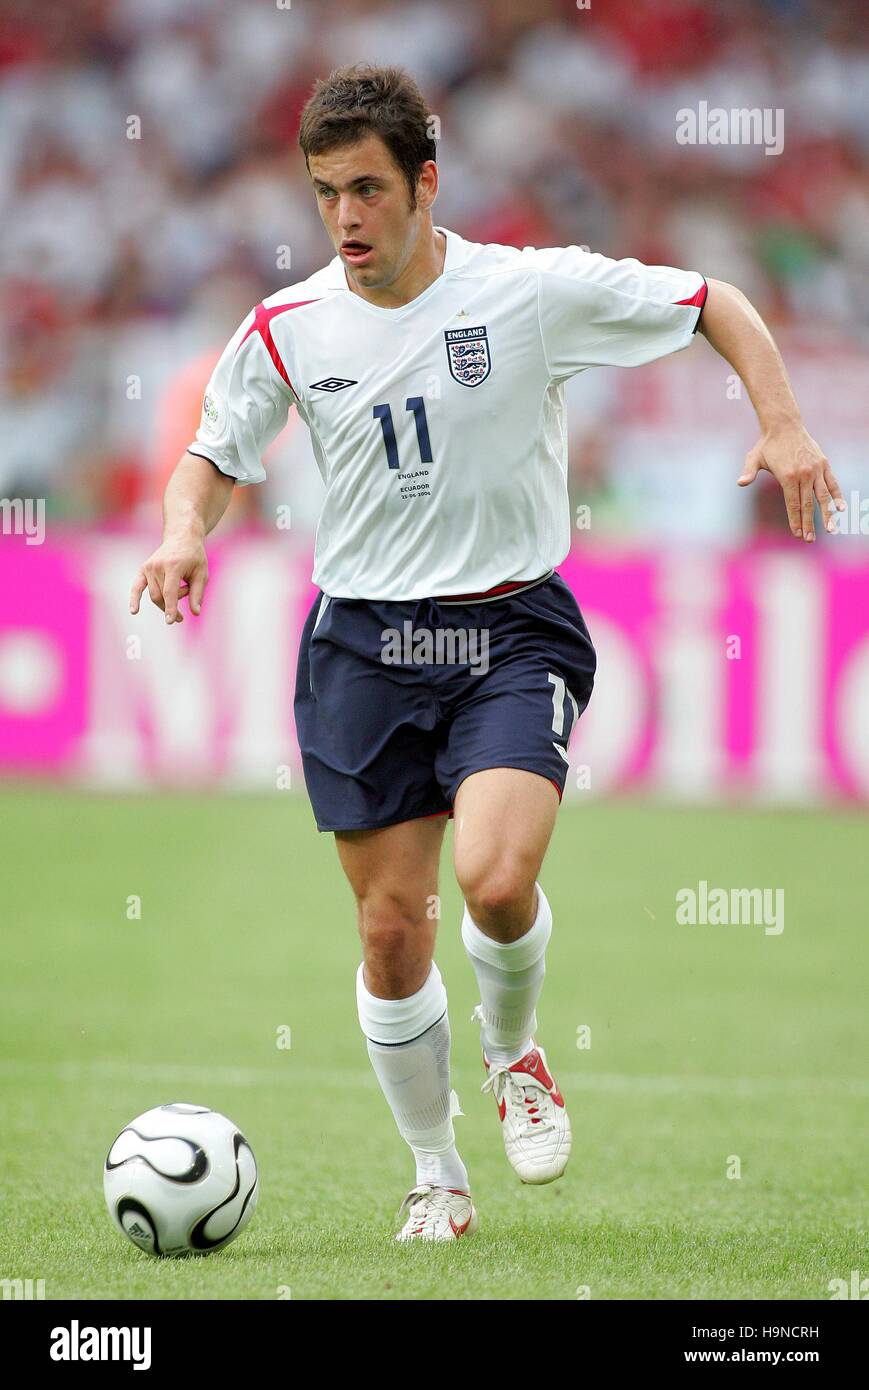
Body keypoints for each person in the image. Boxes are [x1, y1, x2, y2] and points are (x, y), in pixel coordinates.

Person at [130, 64, 844, 1242]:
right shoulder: (290, 325)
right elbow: (214, 447)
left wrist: (780, 419)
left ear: (425, 182)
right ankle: (435, 1172)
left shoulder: (528, 292)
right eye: (324, 194)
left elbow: (716, 299)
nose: (346, 219)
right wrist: (179, 531)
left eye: (366, 189)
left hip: (510, 627)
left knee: (497, 881)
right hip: (362, 642)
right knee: (388, 927)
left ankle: (512, 1052)